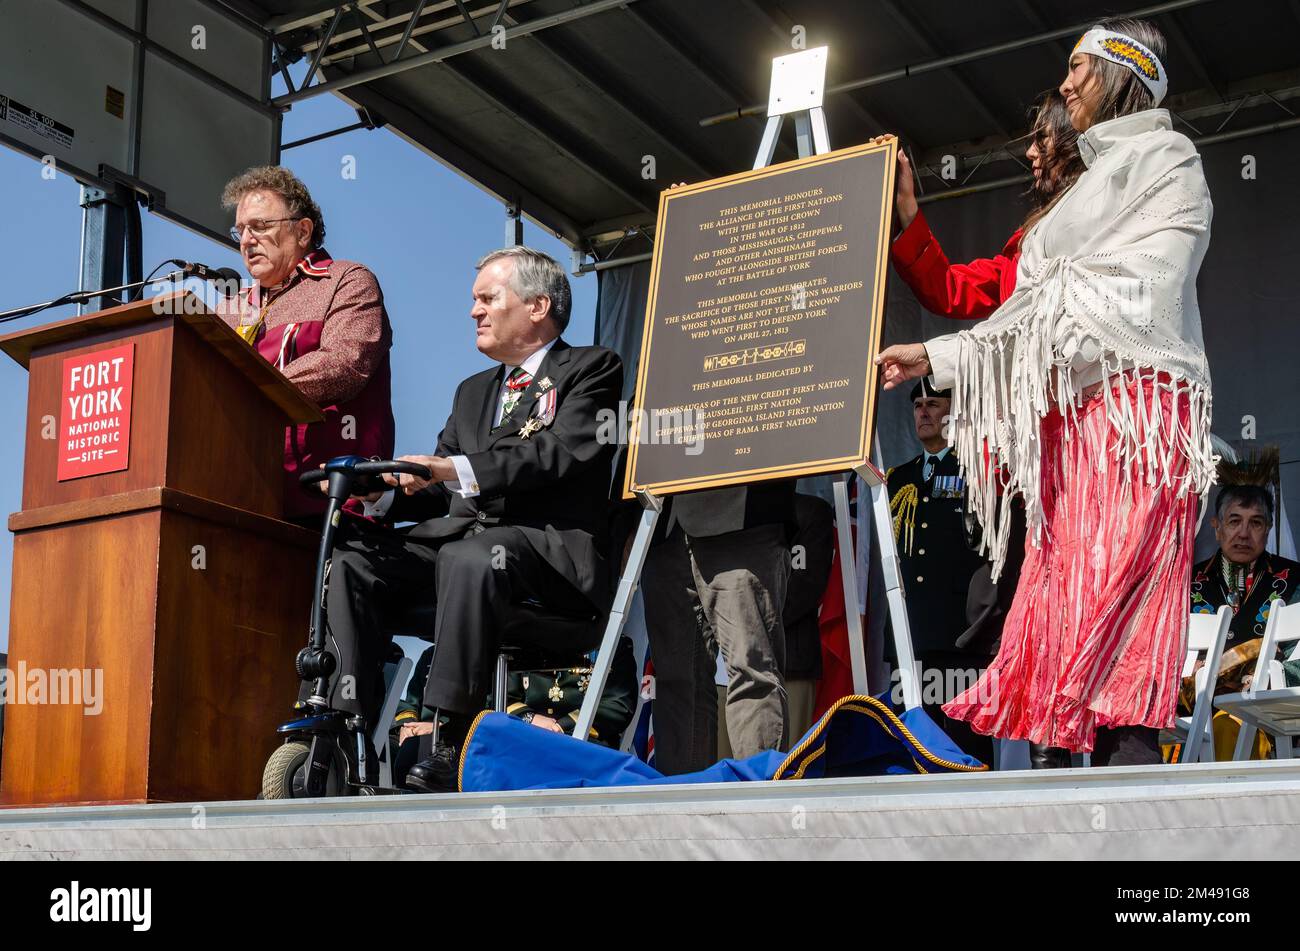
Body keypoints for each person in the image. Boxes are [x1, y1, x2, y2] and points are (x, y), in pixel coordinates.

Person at [876, 18, 1216, 766]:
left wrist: (951, 353)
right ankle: (1060, 812)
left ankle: (1127, 820)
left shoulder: (1165, 161)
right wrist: (939, 351)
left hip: (1132, 419)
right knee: (1058, 623)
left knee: (1119, 627)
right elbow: (1004, 307)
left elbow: (1138, 293)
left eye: (1077, 68)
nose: (1064, 86)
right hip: (1064, 435)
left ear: (1123, 74)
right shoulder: (1059, 219)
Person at [322, 246, 622, 793]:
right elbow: (442, 496)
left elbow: (560, 455)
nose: (473, 311)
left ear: (537, 305)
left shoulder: (591, 369)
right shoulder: (473, 392)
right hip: (464, 552)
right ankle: (349, 733)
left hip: (547, 559)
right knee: (353, 560)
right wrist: (379, 493)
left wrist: (449, 468)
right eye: (473, 300)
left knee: (471, 556)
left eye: (487, 298)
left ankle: (449, 741)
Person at [218, 166, 395, 520]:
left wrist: (247, 390)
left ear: (302, 230)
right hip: (241, 497)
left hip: (329, 500)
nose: (247, 240)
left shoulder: (346, 281)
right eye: (241, 230)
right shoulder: (229, 309)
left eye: (261, 226)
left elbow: (344, 364)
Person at [878, 91, 1085, 320]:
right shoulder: (1022, 256)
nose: (1030, 152)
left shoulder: (1097, 218)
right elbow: (952, 289)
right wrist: (905, 204)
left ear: (1071, 142)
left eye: (1042, 138)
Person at [640, 477, 796, 775]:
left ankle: (761, 802)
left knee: (751, 668)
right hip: (663, 523)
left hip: (743, 512)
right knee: (674, 681)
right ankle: (681, 806)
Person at [885, 379, 994, 765]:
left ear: (954, 412)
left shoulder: (978, 470)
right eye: (918, 405)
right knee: (914, 739)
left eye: (933, 403)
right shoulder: (897, 478)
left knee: (967, 742)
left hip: (959, 631)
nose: (924, 412)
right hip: (910, 628)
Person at [393, 635, 639, 783]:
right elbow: (503, 696)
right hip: (525, 740)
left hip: (581, 744)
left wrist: (560, 728)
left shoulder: (613, 646)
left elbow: (618, 706)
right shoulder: (525, 646)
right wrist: (529, 719)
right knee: (413, 752)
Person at [1187, 481, 1300, 759]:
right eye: (1234, 521)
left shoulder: (1294, 580)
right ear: (1216, 526)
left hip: (1268, 713)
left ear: (1269, 528)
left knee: (1231, 726)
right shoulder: (1187, 581)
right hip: (1193, 713)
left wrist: (1275, 674)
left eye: (1256, 523)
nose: (1243, 534)